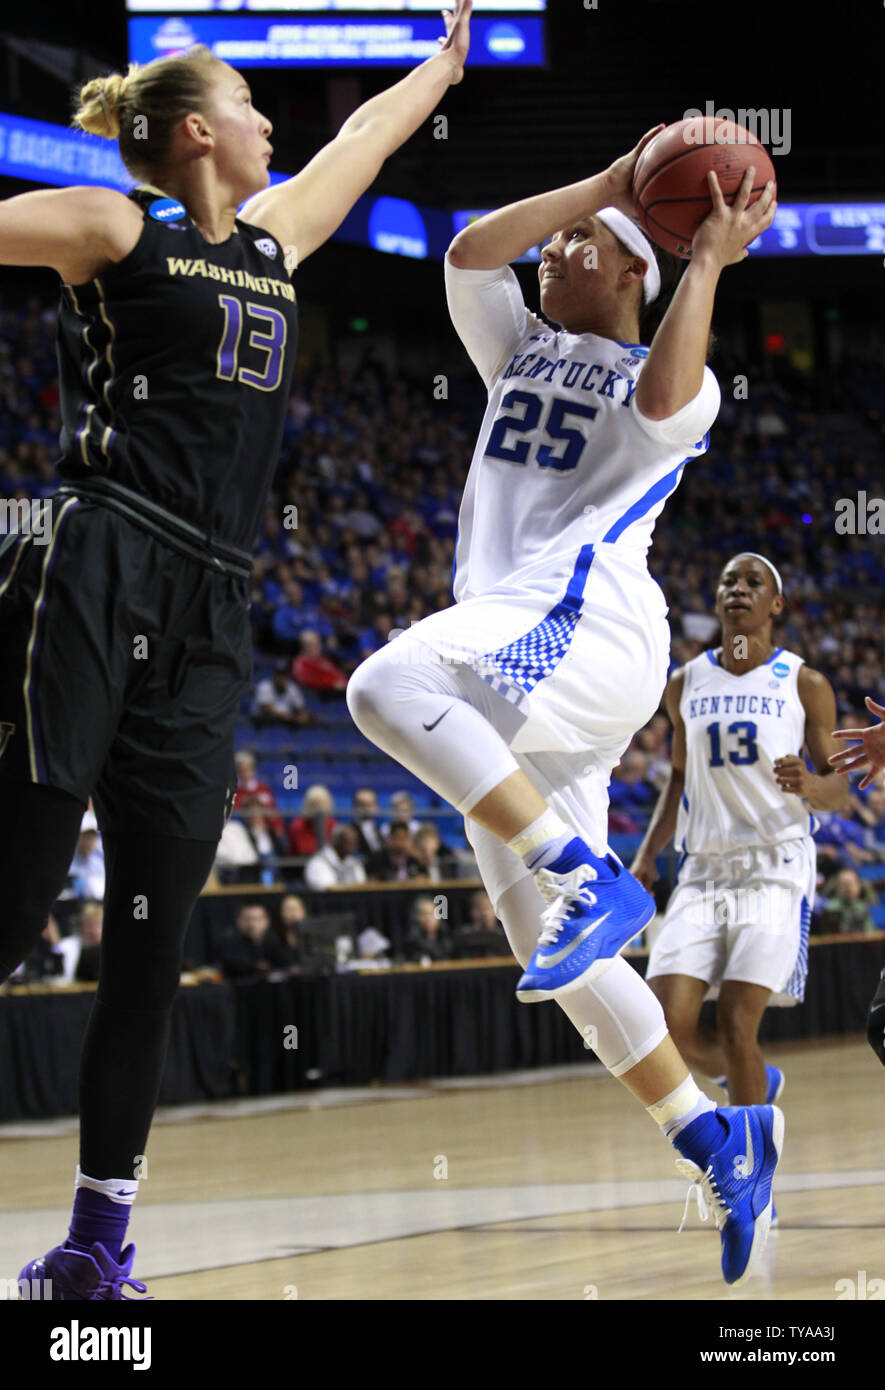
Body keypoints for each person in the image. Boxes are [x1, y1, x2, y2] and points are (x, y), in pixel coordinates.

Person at [0, 5, 473, 1301]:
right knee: (19, 892)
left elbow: (362, 141)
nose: (279, 123)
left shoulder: (274, 244)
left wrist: (435, 66)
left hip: (215, 606)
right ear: (200, 128)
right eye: (258, 102)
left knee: (151, 943)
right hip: (101, 558)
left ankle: (98, 1249)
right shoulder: (114, 226)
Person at [346, 131, 783, 1283]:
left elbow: (668, 392)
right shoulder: (519, 345)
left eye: (584, 243)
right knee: (557, 958)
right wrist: (604, 187)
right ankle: (718, 1138)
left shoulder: (679, 386)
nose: (556, 249)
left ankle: (594, 874)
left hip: (584, 628)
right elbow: (462, 257)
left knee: (383, 683)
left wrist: (706, 262)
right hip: (524, 674)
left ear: (637, 270)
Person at [632, 554, 849, 1120]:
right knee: (661, 1027)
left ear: (775, 604)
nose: (739, 589)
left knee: (735, 1018)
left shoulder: (804, 682)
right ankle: (746, 1076)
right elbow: (680, 777)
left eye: (754, 583)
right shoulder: (684, 684)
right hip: (702, 870)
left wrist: (811, 784)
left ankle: (754, 1182)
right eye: (730, 580)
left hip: (773, 867)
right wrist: (648, 853)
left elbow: (841, 790)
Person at [218, 902, 293, 981]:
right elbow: (234, 966)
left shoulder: (273, 940)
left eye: (257, 919)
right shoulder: (229, 941)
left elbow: (286, 964)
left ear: (266, 921)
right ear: (238, 921)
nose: (252, 924)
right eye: (247, 919)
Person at [304, 825, 367, 890]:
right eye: (348, 841)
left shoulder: (353, 862)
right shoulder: (318, 862)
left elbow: (361, 885)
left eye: (355, 841)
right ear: (337, 841)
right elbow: (328, 889)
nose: (353, 845)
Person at [252, 659, 309, 727]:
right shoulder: (264, 686)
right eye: (279, 674)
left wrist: (303, 716)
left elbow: (301, 708)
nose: (281, 678)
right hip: (262, 722)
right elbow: (269, 711)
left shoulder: (292, 687)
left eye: (284, 674)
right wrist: (294, 718)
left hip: (285, 721)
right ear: (274, 675)